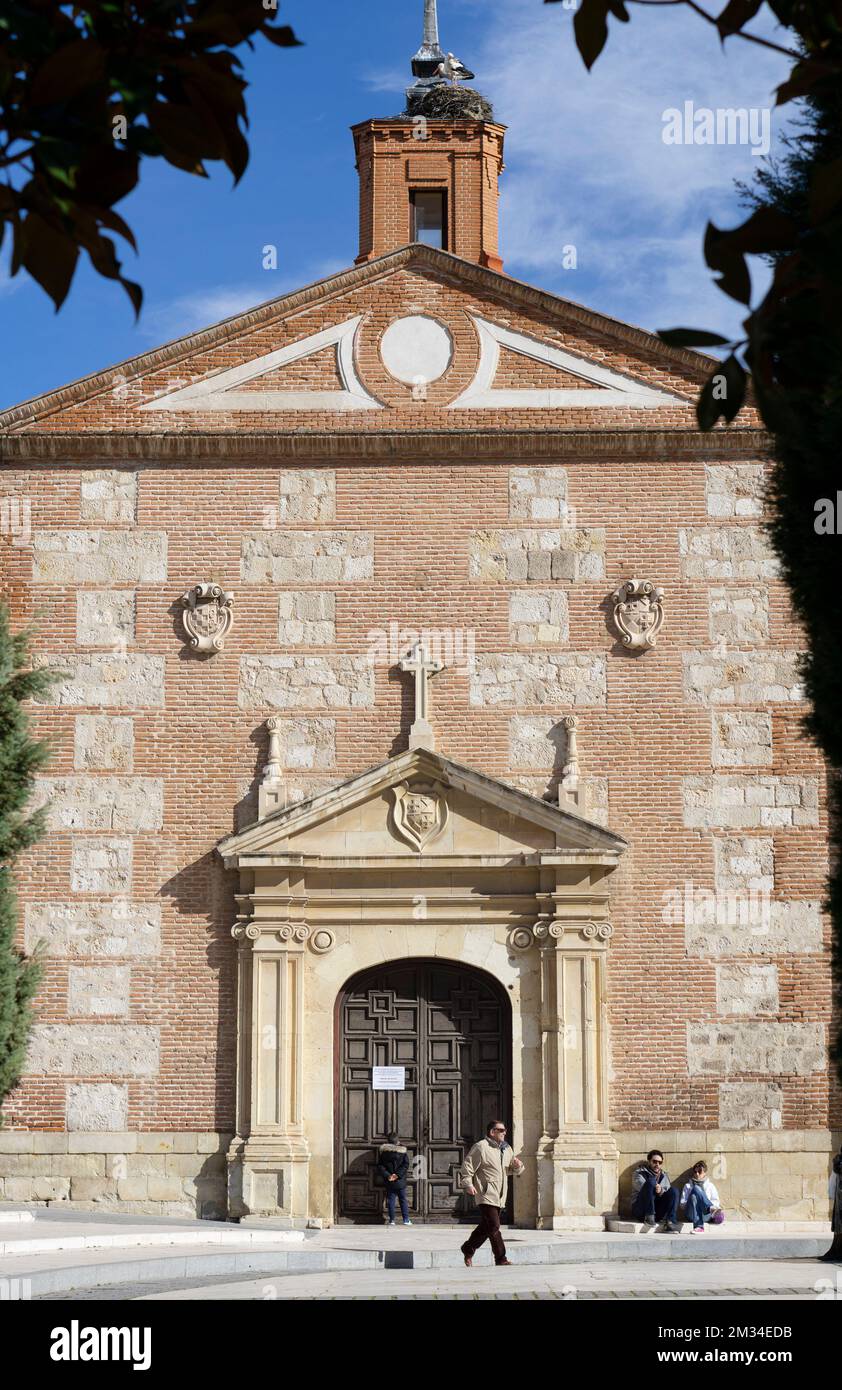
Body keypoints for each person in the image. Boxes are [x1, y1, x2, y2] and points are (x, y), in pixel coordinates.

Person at [459, 1120, 524, 1267]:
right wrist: (468, 1184)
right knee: (494, 1226)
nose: (504, 1132)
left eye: (505, 1130)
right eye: (501, 1130)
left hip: (500, 1194)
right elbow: (467, 1167)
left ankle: (468, 1248)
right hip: (486, 1193)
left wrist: (518, 1166)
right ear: (492, 1132)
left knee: (487, 1226)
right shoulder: (481, 1147)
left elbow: (511, 1170)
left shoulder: (507, 1149)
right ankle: (501, 1258)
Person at [630, 1149, 681, 1232]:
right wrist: (654, 1186)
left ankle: (670, 1222)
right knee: (651, 1181)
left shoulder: (664, 1175)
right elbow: (642, 1188)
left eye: (660, 1162)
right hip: (641, 1210)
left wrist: (661, 1190)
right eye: (654, 1161)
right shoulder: (639, 1173)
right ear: (649, 1161)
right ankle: (649, 1216)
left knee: (674, 1191)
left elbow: (667, 1192)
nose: (657, 1164)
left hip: (657, 1212)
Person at [376, 1132, 412, 1226]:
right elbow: (406, 1165)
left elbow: (380, 1166)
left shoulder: (384, 1152)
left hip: (389, 1181)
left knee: (391, 1200)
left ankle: (392, 1220)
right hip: (400, 1181)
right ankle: (406, 1220)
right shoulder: (403, 1152)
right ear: (397, 1141)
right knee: (403, 1199)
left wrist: (388, 1175)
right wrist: (397, 1175)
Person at [680, 1160, 723, 1233]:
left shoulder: (710, 1186)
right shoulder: (687, 1186)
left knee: (695, 1191)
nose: (697, 1174)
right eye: (695, 1171)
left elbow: (716, 1201)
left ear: (705, 1173)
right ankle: (710, 1208)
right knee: (694, 1192)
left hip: (706, 1215)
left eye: (699, 1171)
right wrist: (691, 1198)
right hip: (691, 1214)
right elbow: (682, 1205)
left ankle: (699, 1227)